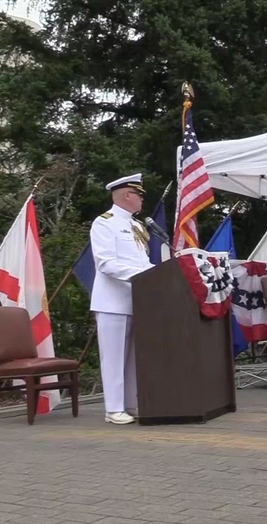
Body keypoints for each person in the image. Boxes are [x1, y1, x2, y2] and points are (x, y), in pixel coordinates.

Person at [90, 173, 154, 425]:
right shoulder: (104, 223)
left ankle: (130, 403)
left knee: (132, 358)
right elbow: (106, 263)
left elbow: (142, 261)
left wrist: (155, 273)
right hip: (112, 301)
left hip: (137, 300)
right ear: (127, 195)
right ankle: (113, 408)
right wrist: (144, 275)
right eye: (139, 195)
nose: (142, 200)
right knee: (114, 356)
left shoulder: (137, 226)